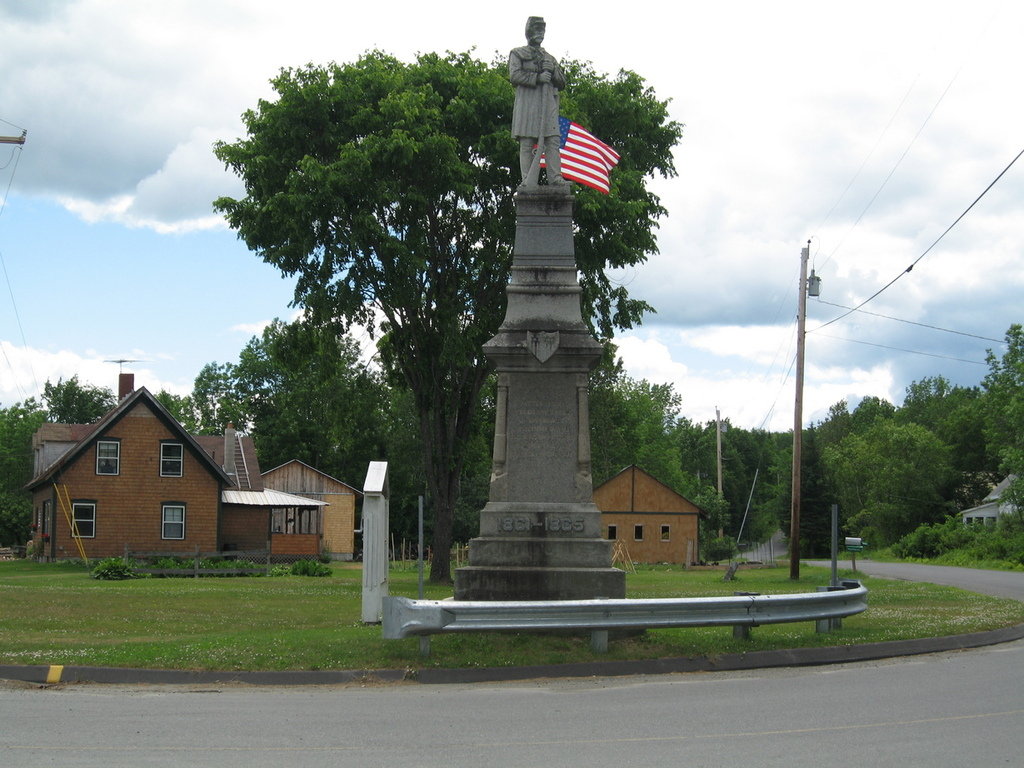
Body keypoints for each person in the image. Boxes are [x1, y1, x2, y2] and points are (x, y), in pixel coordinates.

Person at [509, 16, 566, 185]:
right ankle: (528, 180)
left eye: (542, 30)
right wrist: (538, 77)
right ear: (529, 31)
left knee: (553, 140)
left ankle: (555, 178)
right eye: (537, 30)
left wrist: (553, 70)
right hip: (528, 104)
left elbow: (562, 82)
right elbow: (514, 75)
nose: (540, 34)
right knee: (527, 143)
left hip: (548, 104)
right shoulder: (518, 53)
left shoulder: (549, 58)